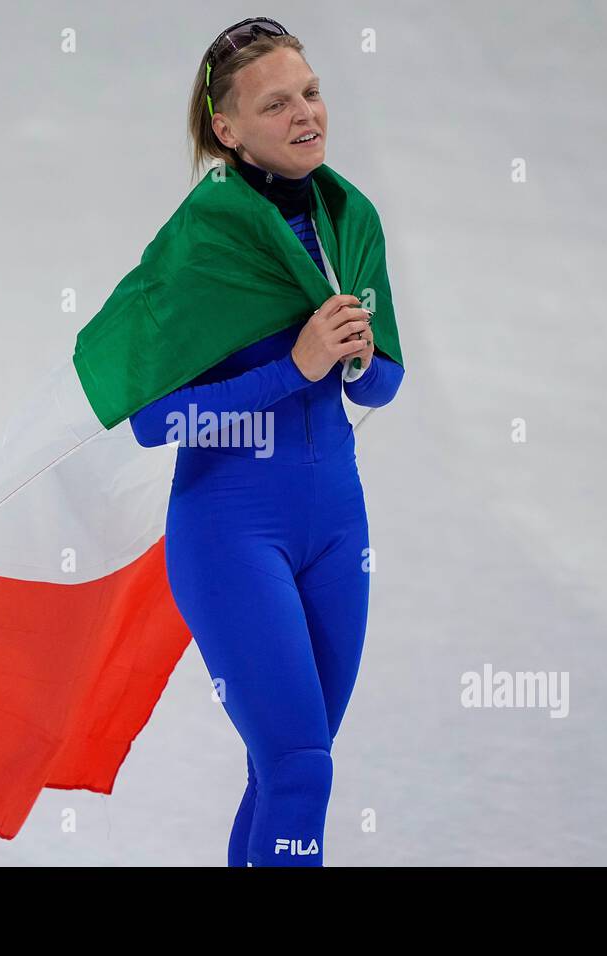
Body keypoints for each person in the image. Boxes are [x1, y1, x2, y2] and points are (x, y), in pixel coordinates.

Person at [128, 18, 404, 867]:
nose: (305, 115)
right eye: (276, 103)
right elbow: (152, 420)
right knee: (299, 770)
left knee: (281, 771)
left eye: (312, 92)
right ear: (227, 128)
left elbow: (385, 380)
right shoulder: (203, 244)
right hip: (229, 533)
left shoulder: (349, 215)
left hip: (336, 530)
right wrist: (296, 364)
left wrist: (359, 360)